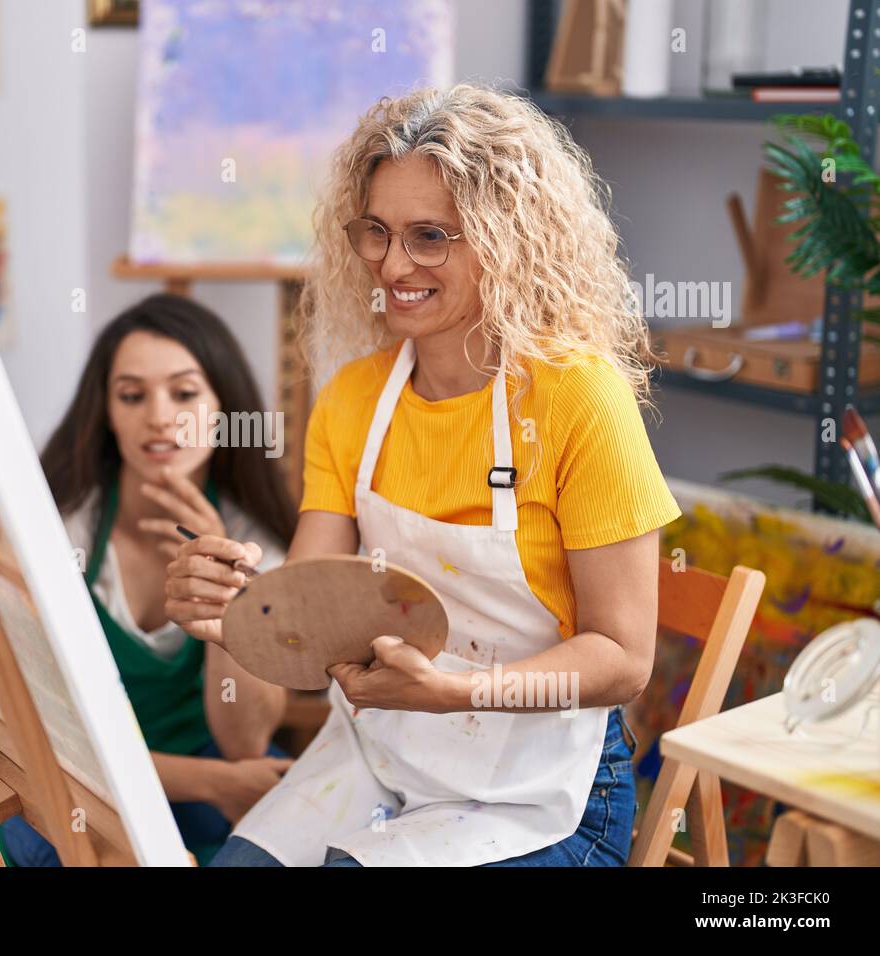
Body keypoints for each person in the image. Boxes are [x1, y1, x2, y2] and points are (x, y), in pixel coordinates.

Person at [165, 84, 679, 867]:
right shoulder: (353, 402)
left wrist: (456, 692)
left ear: (509, 241)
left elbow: (622, 659)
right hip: (380, 754)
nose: (392, 264)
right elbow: (311, 615)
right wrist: (237, 609)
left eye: (430, 236)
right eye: (376, 231)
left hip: (542, 793)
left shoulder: (579, 399)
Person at [0, 293, 297, 865]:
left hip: (209, 752)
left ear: (225, 409)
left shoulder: (260, 543)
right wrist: (211, 783)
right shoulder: (60, 530)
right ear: (108, 414)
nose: (160, 416)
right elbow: (37, 738)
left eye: (184, 394)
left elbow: (245, 746)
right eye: (132, 396)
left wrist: (231, 609)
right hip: (74, 772)